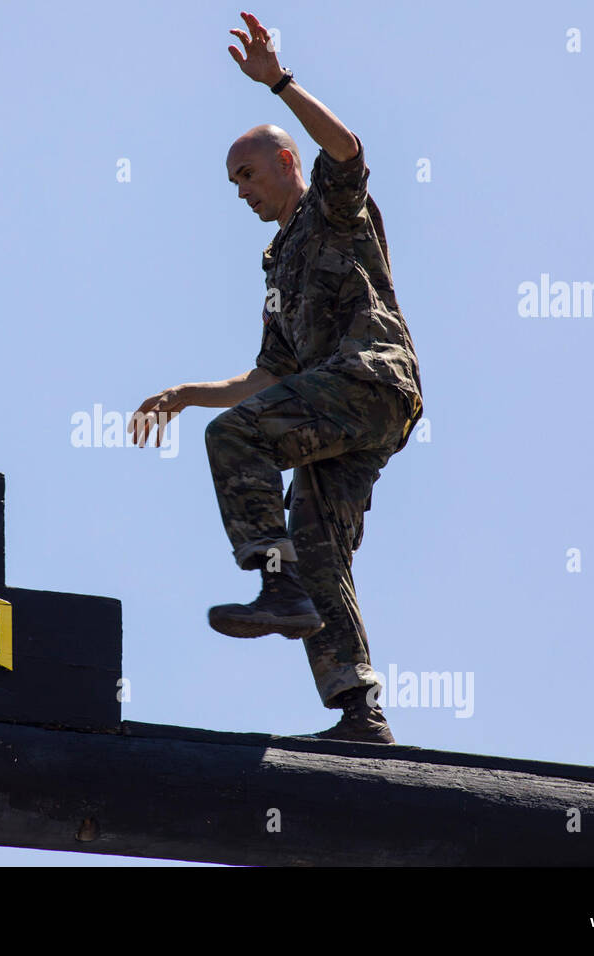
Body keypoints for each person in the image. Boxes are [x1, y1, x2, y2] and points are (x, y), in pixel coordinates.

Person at [128, 11, 423, 744]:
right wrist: (187, 395)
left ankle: (275, 582)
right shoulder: (277, 266)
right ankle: (360, 711)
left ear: (286, 163)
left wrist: (279, 82)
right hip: (341, 410)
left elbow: (348, 148)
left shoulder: (331, 208)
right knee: (317, 544)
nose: (240, 192)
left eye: (247, 175)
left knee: (236, 440)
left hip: (370, 380)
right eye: (233, 182)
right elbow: (270, 377)